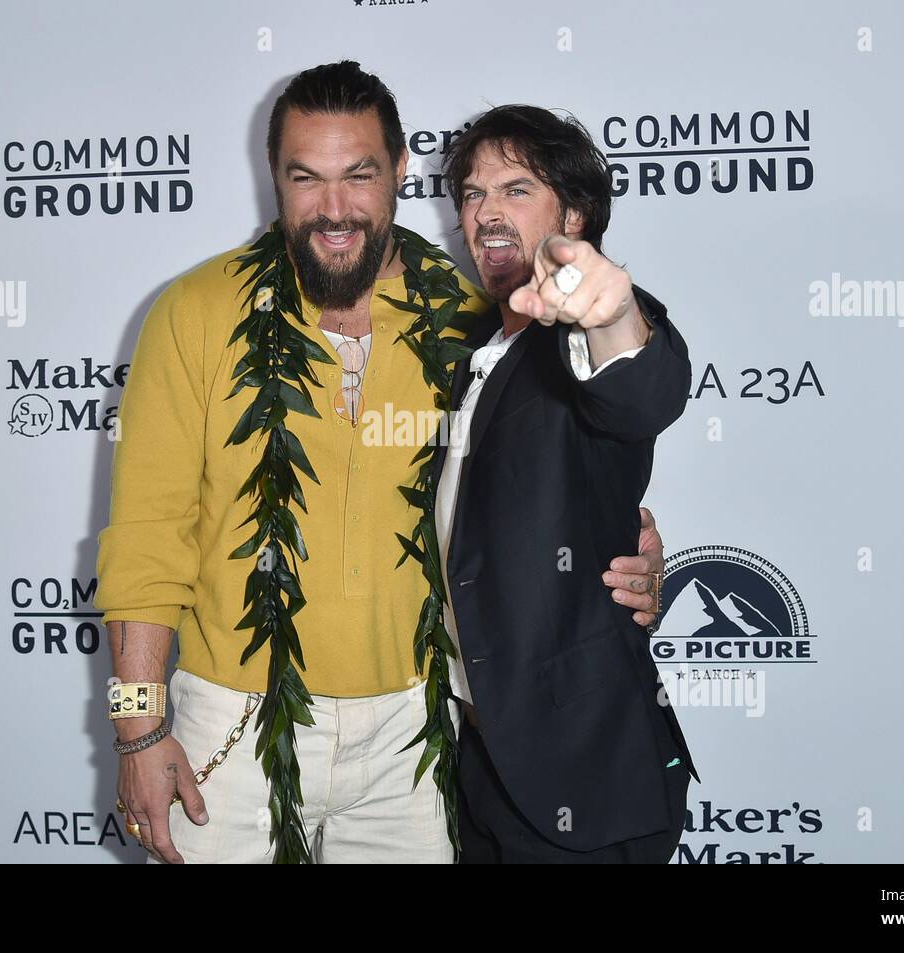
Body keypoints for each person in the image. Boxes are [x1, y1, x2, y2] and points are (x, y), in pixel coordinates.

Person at [94, 62, 668, 864]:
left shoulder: (472, 318)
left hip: (413, 736)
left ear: (401, 171)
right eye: (307, 178)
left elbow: (570, 465)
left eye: (360, 175)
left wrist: (629, 549)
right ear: (276, 180)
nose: (334, 208)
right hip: (230, 722)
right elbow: (148, 541)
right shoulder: (193, 313)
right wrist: (137, 729)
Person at [435, 104, 699, 863]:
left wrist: (610, 312)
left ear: (574, 215)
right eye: (474, 194)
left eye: (517, 190)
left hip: (581, 775)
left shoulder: (581, 336)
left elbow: (643, 390)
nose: (487, 211)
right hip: (475, 768)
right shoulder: (470, 352)